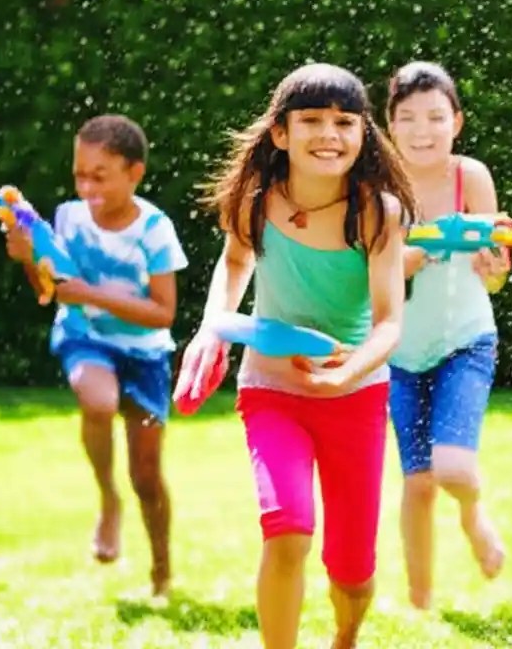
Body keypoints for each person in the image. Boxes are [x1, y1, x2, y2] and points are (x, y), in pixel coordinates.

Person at [172, 63, 417, 649]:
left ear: (363, 136)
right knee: (286, 528)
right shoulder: (255, 201)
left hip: (356, 397)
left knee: (351, 569)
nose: (328, 134)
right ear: (280, 132)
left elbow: (389, 323)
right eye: (311, 121)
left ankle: (345, 634)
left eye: (343, 122)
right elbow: (235, 264)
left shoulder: (377, 212)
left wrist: (346, 373)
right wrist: (213, 330)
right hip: (272, 391)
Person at [3, 114, 184, 600]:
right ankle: (107, 500)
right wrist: (26, 258)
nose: (86, 186)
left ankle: (162, 571)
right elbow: (51, 291)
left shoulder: (154, 231)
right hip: (87, 338)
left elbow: (163, 313)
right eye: (79, 174)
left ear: (134, 173)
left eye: (99, 176)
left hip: (145, 354)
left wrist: (93, 293)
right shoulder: (67, 218)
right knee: (98, 401)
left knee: (147, 476)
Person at [384, 61, 510, 609]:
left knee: (453, 468)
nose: (422, 130)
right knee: (417, 483)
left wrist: (492, 262)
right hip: (396, 349)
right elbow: (380, 271)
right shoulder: (377, 188)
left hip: (466, 339)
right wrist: (434, 244)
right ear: (389, 125)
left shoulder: (471, 177)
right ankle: (420, 600)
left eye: (436, 117)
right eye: (408, 118)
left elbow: (498, 273)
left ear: (456, 121)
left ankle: (473, 515)